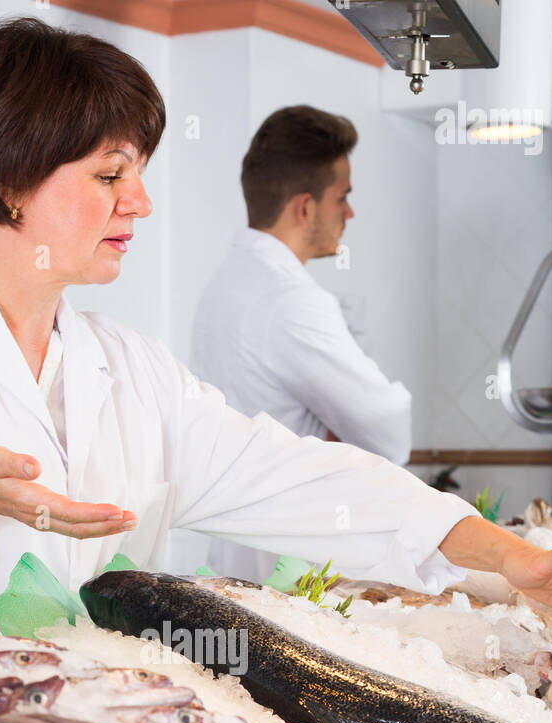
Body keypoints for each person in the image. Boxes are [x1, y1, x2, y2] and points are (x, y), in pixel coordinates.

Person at [0, 18, 552, 656]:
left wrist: (510, 559)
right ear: (13, 178)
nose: (138, 202)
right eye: (110, 174)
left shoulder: (127, 369)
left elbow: (305, 478)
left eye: (138, 173)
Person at [170, 105, 413, 581]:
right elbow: (390, 434)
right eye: (341, 197)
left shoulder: (227, 282)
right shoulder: (291, 300)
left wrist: (324, 429)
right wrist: (329, 429)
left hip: (242, 552)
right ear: (305, 208)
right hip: (290, 561)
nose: (349, 212)